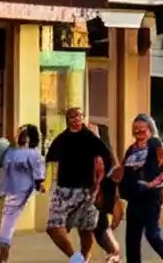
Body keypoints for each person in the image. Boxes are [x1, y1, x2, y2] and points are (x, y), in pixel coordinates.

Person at [45, 107, 114, 263]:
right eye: (72, 117)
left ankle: (84, 258)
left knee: (86, 228)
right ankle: (75, 258)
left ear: (82, 118)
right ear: (67, 120)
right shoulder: (62, 139)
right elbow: (50, 160)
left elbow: (107, 156)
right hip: (64, 190)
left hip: (87, 191)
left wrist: (102, 181)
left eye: (78, 116)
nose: (76, 119)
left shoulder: (90, 138)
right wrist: (47, 182)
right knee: (53, 227)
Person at [118, 114, 163, 263]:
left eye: (142, 129)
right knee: (132, 238)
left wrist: (152, 184)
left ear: (150, 130)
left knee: (152, 233)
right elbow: (124, 172)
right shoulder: (131, 150)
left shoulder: (155, 144)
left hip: (150, 198)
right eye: (135, 129)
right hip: (134, 197)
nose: (138, 132)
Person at [0, 125, 46, 263]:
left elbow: (38, 172)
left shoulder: (33, 154)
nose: (20, 136)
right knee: (6, 222)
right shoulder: (13, 152)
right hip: (12, 190)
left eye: (24, 134)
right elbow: (4, 170)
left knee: (8, 222)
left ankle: (3, 256)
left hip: (22, 190)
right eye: (20, 134)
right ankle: (3, 254)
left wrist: (39, 183)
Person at [88, 123, 123, 263]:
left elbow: (114, 174)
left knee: (100, 227)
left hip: (100, 197)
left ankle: (114, 253)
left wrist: (116, 202)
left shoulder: (105, 157)